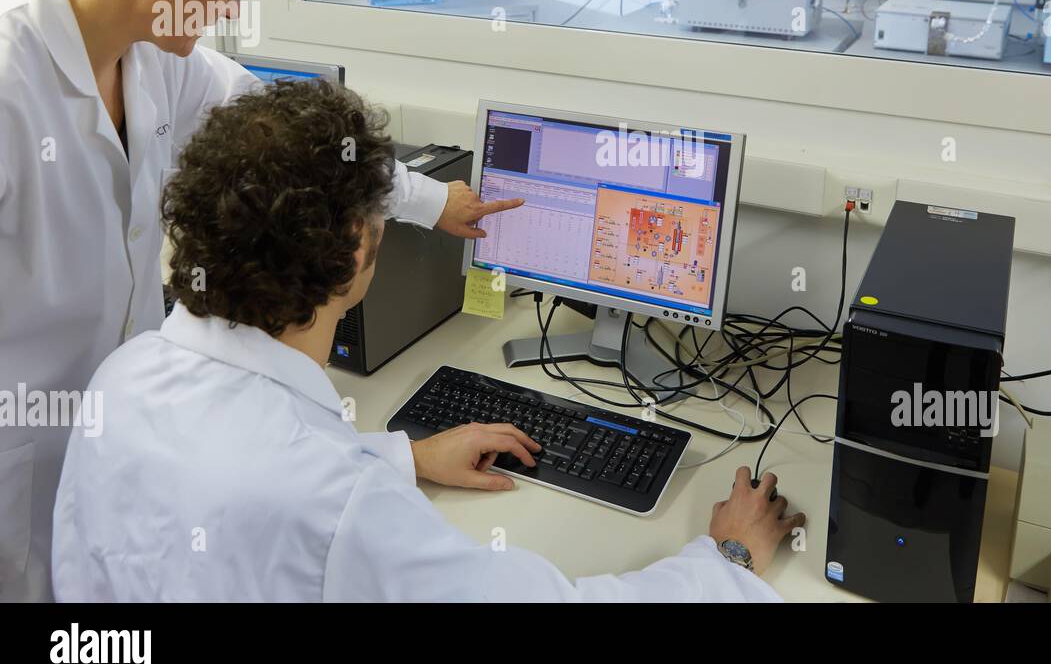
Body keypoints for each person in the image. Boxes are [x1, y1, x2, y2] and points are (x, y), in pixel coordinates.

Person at [0, 0, 521, 602]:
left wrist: (433, 200)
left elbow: (302, 144)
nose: (232, 7)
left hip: (126, 449)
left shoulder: (159, 61)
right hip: (25, 467)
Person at [52, 80, 804, 601]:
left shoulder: (123, 377)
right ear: (359, 244)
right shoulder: (342, 507)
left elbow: (245, 474)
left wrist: (403, 457)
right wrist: (728, 561)